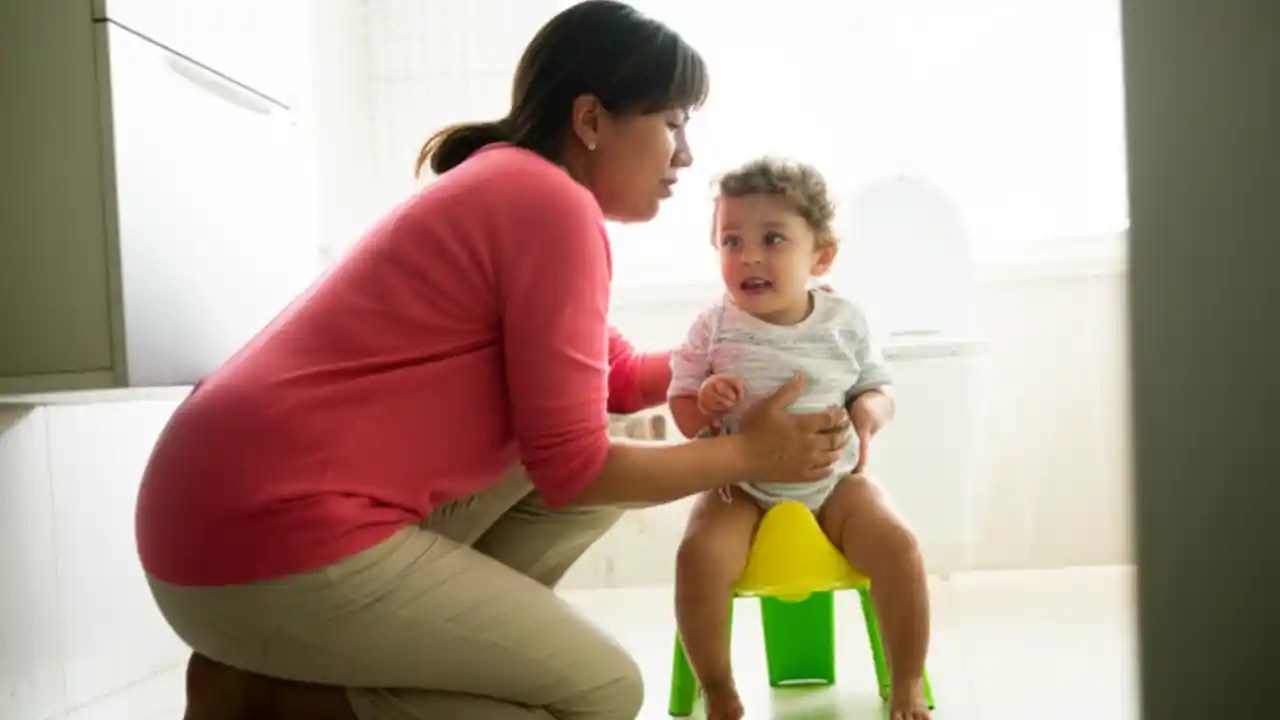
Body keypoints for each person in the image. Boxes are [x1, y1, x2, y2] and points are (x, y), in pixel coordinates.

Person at [134, 3, 854, 719]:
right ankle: (290, 697)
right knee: (603, 693)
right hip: (265, 545)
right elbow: (577, 469)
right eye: (671, 122)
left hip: (216, 524)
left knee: (618, 442)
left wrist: (760, 345)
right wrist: (752, 455)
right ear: (592, 120)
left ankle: (336, 669)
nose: (686, 153)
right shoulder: (548, 207)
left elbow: (623, 378)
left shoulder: (512, 185)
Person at [668, 157, 932, 720]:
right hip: (741, 489)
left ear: (821, 256)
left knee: (898, 545)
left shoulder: (844, 320)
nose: (750, 256)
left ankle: (906, 679)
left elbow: (878, 386)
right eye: (731, 240)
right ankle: (718, 686)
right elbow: (684, 408)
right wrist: (705, 403)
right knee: (698, 555)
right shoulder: (713, 326)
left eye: (773, 239)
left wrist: (868, 414)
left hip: (832, 484)